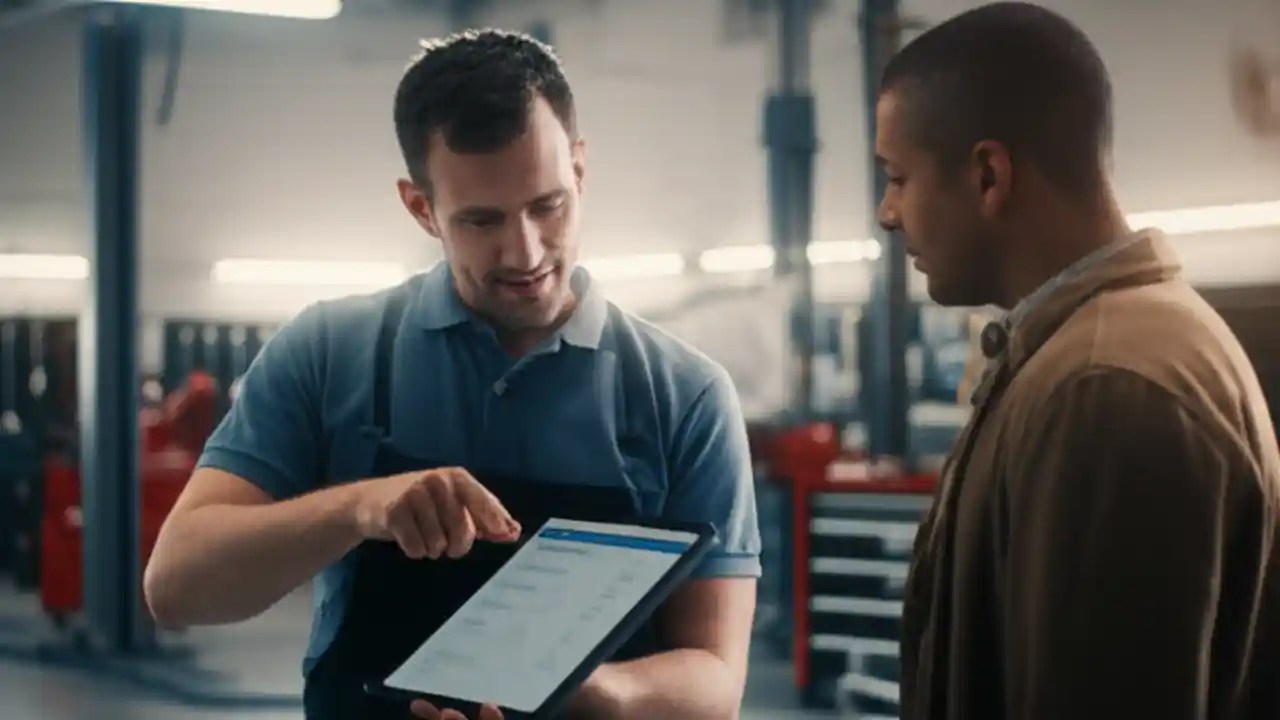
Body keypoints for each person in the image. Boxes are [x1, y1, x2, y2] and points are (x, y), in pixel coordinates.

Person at [143, 29, 761, 720]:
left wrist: (576, 696)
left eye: (547, 205)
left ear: (580, 170)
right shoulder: (328, 353)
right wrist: (359, 508)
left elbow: (715, 683)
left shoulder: (684, 395)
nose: (524, 249)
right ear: (420, 208)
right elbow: (176, 587)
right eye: (481, 219)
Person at [873, 3, 1280, 719]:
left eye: (898, 178)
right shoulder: (1080, 356)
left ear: (988, 175)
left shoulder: (1106, 386)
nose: (886, 211)